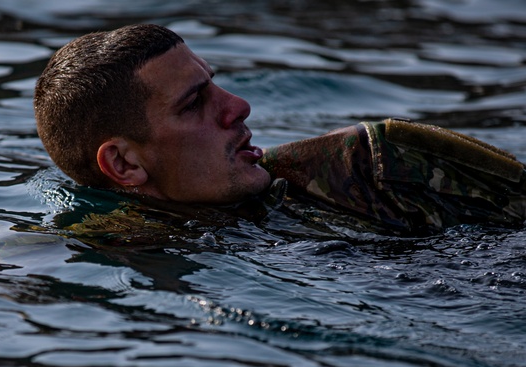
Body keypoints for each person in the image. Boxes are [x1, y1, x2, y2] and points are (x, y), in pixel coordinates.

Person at [33, 23, 526, 235]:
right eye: (193, 104)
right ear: (123, 164)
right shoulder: (124, 257)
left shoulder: (376, 165)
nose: (239, 107)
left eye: (215, 84)